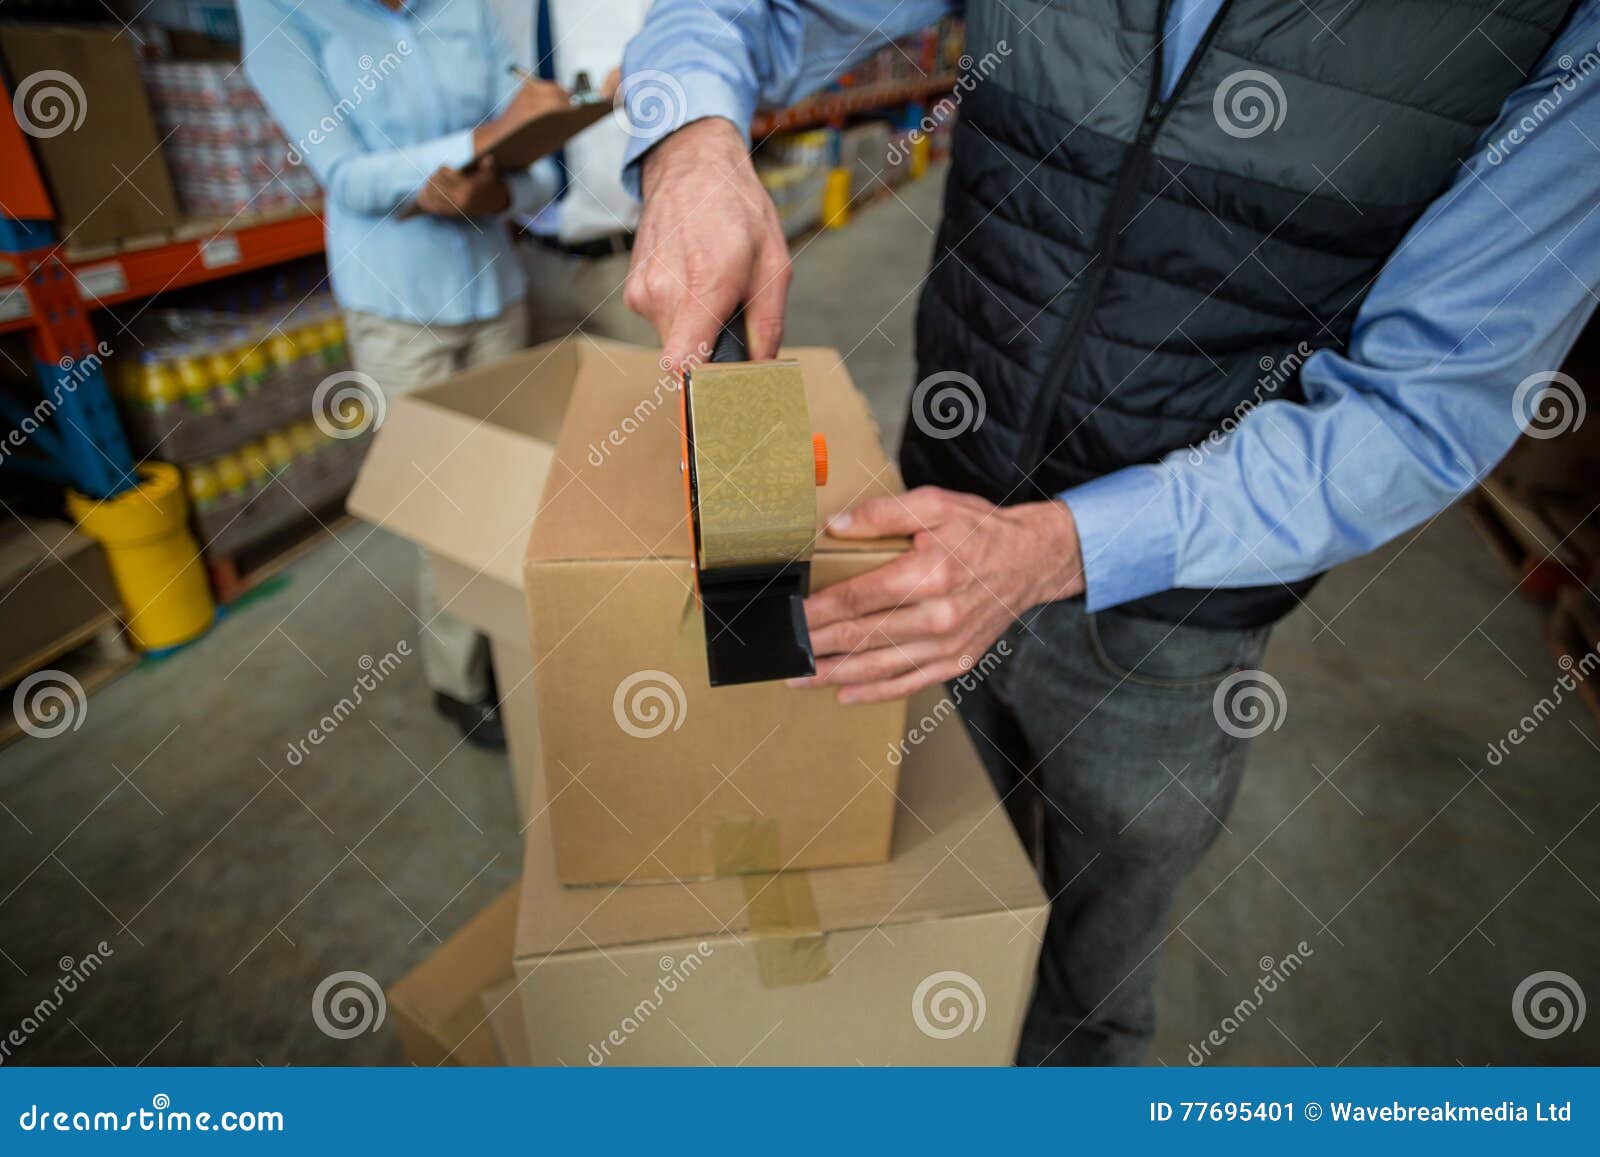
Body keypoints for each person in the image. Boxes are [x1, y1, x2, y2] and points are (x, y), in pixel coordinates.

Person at [620, 0, 1600, 1064]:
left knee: (1093, 986)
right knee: (902, 905)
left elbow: (1424, 406)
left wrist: (1059, 547)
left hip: (1173, 619)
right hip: (923, 525)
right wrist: (689, 142)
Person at [239, 0, 571, 749]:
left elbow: (541, 169)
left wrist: (502, 191)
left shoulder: (464, 7)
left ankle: (524, 652)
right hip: (397, 308)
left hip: (494, 289)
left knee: (520, 485)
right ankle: (461, 681)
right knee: (447, 508)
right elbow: (349, 177)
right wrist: (477, 142)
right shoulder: (278, 12)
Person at [493, 0, 659, 345]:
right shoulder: (498, 10)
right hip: (534, 265)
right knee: (548, 396)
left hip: (629, 260)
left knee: (648, 391)